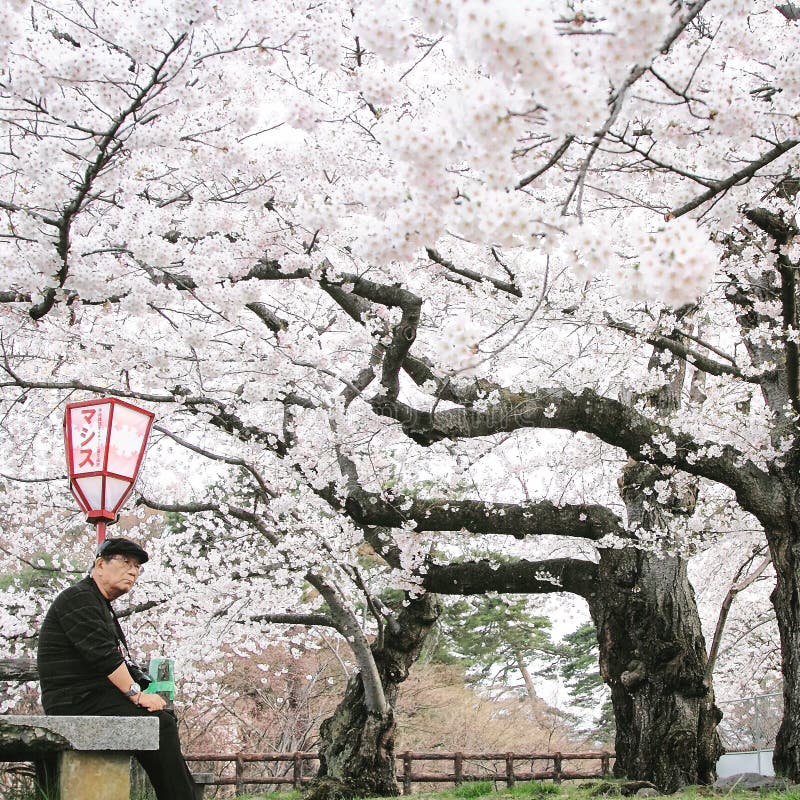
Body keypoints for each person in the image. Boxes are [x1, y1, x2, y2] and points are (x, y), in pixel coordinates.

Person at [37, 536, 196, 800]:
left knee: (163, 720)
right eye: (125, 562)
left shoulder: (97, 602)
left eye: (137, 566)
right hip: (75, 701)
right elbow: (105, 658)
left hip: (92, 698)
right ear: (100, 564)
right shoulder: (79, 598)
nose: (133, 571)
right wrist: (137, 695)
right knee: (160, 725)